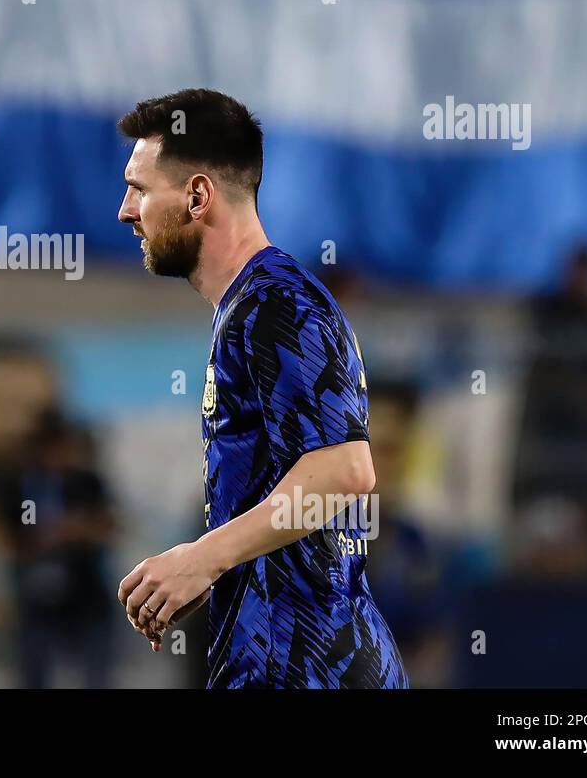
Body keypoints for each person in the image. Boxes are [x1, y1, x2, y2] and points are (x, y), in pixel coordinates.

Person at [113, 88, 407, 689]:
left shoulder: (279, 306)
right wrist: (220, 569)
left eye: (140, 188)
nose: (125, 210)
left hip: (308, 670)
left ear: (198, 195)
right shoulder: (250, 307)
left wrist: (203, 557)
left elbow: (345, 471)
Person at [0, 408, 117, 689]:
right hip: (36, 600)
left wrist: (69, 531)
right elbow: (11, 540)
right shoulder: (19, 487)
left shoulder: (85, 482)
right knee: (35, 669)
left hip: (86, 595)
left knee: (96, 673)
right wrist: (55, 534)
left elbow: (107, 527)